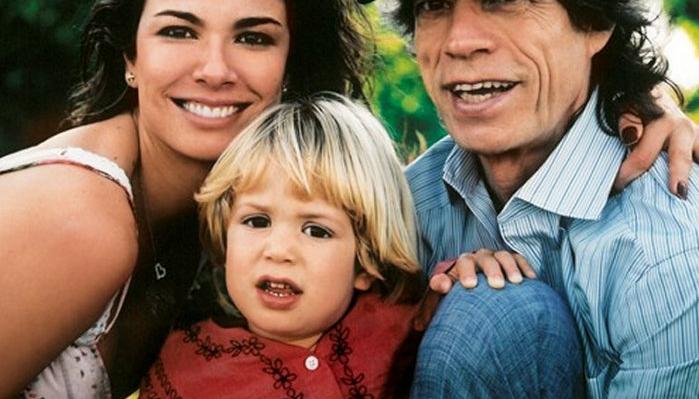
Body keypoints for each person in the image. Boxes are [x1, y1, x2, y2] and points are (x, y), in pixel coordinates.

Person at [0, 0, 372, 397]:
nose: (214, 70)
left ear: (290, 66)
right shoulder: (79, 222)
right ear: (130, 55)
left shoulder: (223, 225)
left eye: (252, 38)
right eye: (179, 32)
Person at [357, 0, 699, 397]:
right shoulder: (401, 212)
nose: (460, 42)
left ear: (597, 18)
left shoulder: (667, 254)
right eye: (433, 5)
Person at [139, 93, 535, 398]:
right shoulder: (186, 369)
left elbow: (457, 319)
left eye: (316, 230)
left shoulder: (395, 323)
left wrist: (469, 273)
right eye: (257, 221)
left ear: (364, 263)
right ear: (225, 239)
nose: (278, 250)